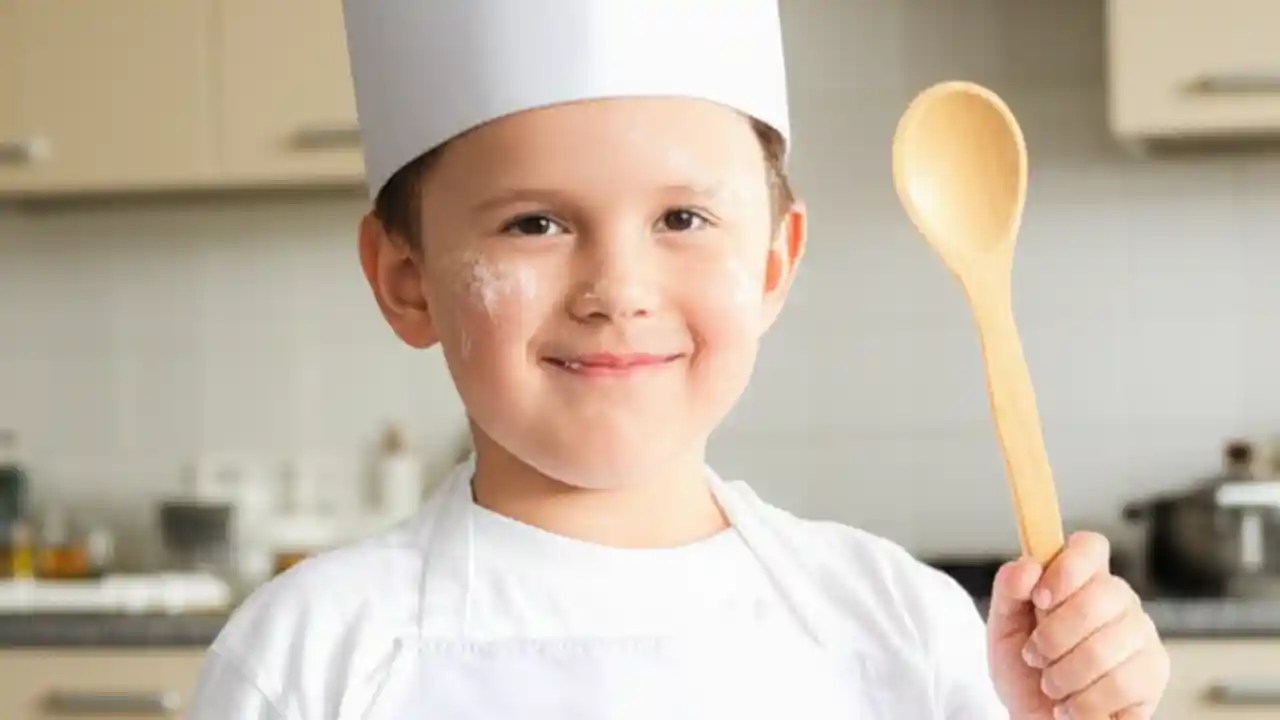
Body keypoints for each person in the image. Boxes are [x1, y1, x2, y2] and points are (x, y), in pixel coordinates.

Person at [187, 2, 1170, 718]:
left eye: (681, 218)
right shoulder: (310, 657)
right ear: (407, 279)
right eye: (534, 222)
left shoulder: (900, 627)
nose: (618, 288)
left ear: (773, 263)